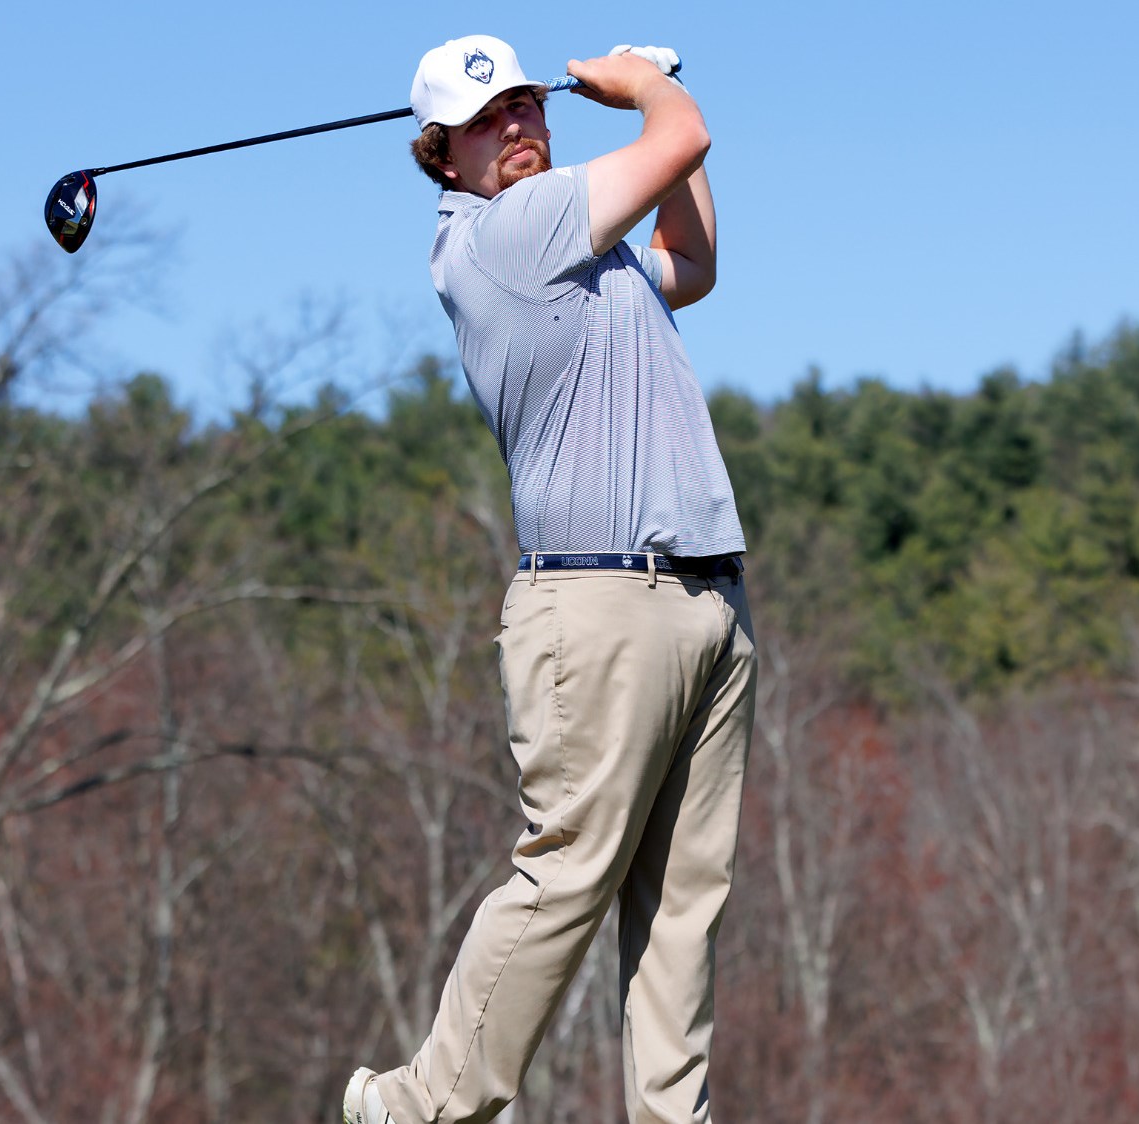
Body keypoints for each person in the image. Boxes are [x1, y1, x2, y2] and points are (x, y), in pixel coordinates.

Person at [345, 35, 755, 1124]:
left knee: (679, 906)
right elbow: (680, 136)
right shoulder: (510, 232)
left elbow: (696, 262)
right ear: (442, 154)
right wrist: (648, 88)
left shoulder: (588, 242)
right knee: (567, 872)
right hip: (598, 601)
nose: (519, 126)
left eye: (528, 105)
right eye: (490, 119)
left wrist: (665, 111)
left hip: (702, 597)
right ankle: (425, 1104)